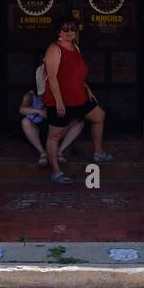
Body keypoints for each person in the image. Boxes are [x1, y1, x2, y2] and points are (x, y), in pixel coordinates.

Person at [43, 15, 112, 184]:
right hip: (61, 100)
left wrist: (87, 89)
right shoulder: (54, 49)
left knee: (99, 116)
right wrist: (59, 101)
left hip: (79, 97)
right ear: (58, 32)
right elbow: (52, 77)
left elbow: (77, 74)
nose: (69, 32)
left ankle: (98, 152)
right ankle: (56, 172)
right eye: (65, 29)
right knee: (54, 135)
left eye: (72, 29)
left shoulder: (76, 48)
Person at [19, 64, 82, 167]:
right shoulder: (31, 94)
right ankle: (43, 153)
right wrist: (40, 112)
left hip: (57, 129)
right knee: (25, 122)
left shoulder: (59, 93)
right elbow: (22, 109)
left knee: (78, 123)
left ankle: (59, 152)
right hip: (39, 130)